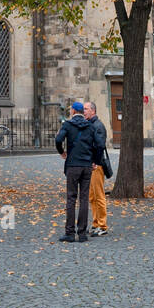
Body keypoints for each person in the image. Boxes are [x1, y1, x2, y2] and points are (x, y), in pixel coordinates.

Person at [55, 100, 96, 242]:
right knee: (84, 198)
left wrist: (62, 152)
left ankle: (70, 233)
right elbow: (98, 145)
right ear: (82, 112)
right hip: (86, 166)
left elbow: (58, 139)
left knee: (71, 198)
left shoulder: (67, 125)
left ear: (73, 111)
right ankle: (82, 233)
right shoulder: (90, 126)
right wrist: (94, 160)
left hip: (73, 165)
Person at [83, 100, 109, 236]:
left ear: (93, 111)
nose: (84, 111)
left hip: (96, 166)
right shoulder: (91, 125)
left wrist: (95, 162)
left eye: (86, 109)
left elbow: (100, 146)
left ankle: (102, 225)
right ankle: (95, 222)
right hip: (91, 164)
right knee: (92, 196)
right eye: (83, 109)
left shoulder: (98, 126)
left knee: (99, 195)